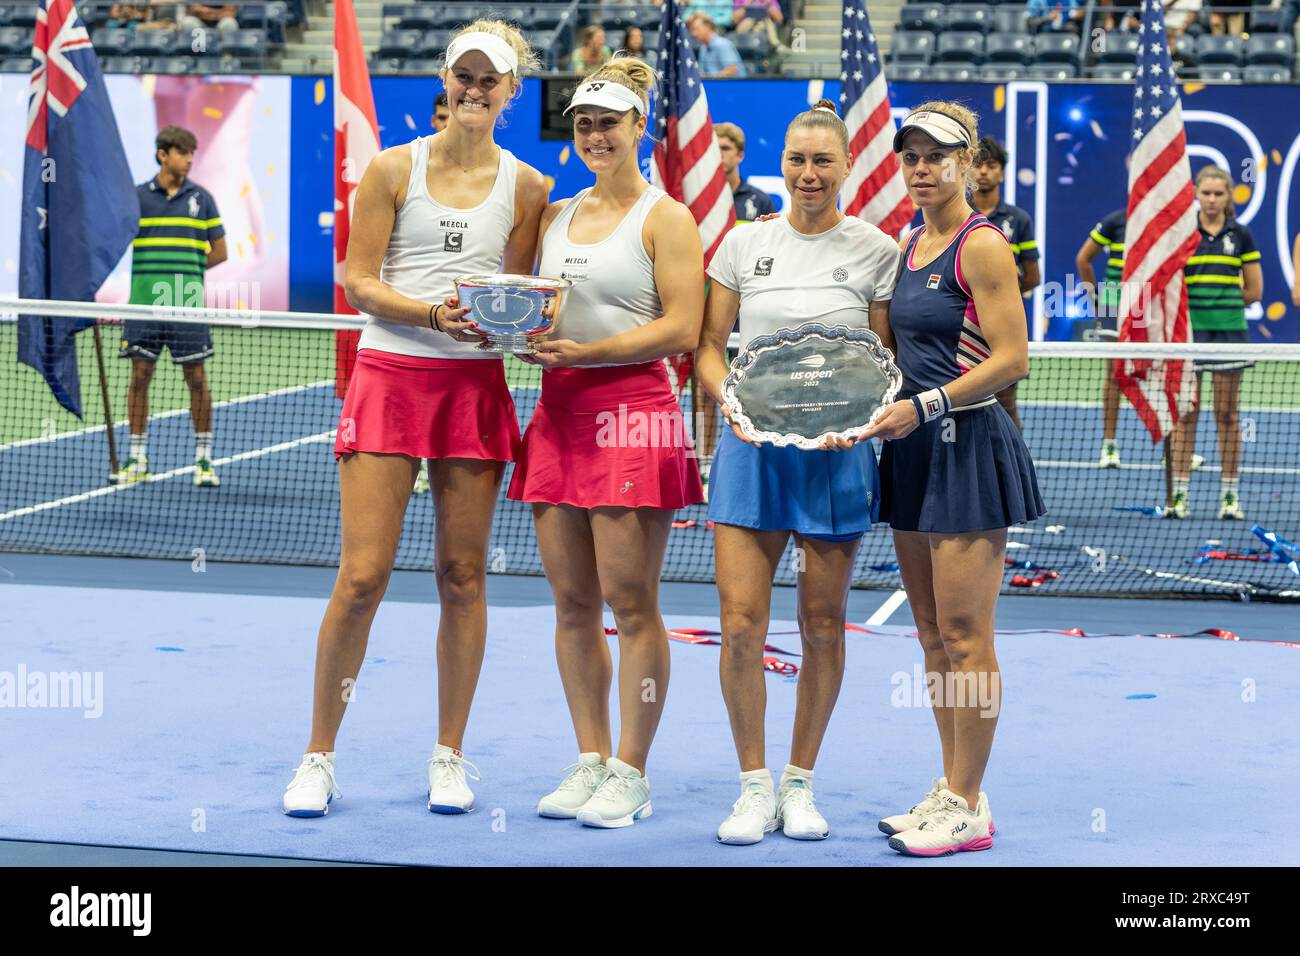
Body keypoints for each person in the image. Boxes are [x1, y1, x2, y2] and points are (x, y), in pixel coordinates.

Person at [281, 20, 549, 818]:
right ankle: (318, 756)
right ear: (445, 79)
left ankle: (449, 756)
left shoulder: (529, 188)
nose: (473, 89)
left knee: (463, 578)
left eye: (488, 79)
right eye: (462, 75)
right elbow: (357, 279)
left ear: (510, 92)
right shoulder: (392, 169)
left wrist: (524, 333)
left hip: (473, 391)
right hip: (390, 378)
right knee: (362, 577)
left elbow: (516, 293)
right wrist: (435, 316)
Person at [696, 101, 899, 846]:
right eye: (796, 159)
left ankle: (800, 783)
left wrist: (854, 419)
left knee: (821, 624)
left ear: (846, 166)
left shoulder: (877, 250)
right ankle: (753, 786)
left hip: (838, 461)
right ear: (780, 164)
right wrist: (734, 405)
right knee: (741, 624)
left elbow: (886, 364)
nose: (808, 173)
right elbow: (710, 347)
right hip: (751, 455)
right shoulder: (743, 245)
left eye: (823, 161)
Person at [513, 56, 705, 829]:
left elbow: (683, 328)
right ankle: (590, 757)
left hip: (635, 413)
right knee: (571, 604)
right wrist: (516, 330)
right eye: (584, 123)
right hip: (557, 413)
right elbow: (526, 305)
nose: (595, 134)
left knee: (632, 604)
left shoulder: (668, 218)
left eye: (609, 123)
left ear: (639, 130)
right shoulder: (554, 217)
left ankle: (632, 767)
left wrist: (585, 354)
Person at [865, 102, 1044, 857]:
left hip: (967, 445)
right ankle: (952, 786)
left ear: (969, 164)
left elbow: (1011, 359)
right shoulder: (908, 245)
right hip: (912, 451)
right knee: (933, 634)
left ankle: (969, 803)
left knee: (968, 637)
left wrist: (927, 404)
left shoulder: (983, 246)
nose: (923, 168)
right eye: (911, 156)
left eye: (939, 156)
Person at [112, 126, 227, 488]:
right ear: (163, 154)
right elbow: (113, 242)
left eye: (192, 153)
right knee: (140, 378)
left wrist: (186, 273)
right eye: (183, 152)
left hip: (187, 306)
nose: (190, 159)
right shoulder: (135, 199)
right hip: (144, 307)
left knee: (196, 379)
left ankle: (204, 460)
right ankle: (137, 457)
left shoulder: (203, 199)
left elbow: (220, 252)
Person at [1166, 165, 1263, 521]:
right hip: (1187, 338)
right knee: (1186, 416)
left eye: (1218, 194)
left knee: (1226, 415)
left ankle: (1229, 497)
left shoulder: (1241, 235)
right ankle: (1179, 495)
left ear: (1229, 196)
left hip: (1228, 336)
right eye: (1205, 193)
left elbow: (1254, 291)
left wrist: (1221, 298)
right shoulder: (1182, 233)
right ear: (1195, 193)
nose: (1211, 200)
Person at [972, 136, 1039, 432]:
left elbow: (1033, 277)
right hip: (960, 325)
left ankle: (1014, 469)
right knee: (962, 400)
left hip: (1002, 327)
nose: (984, 172)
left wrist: (997, 296)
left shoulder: (1018, 219)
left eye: (992, 166)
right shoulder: (952, 213)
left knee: (1006, 402)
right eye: (978, 165)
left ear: (1001, 173)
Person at [1075, 206, 1127, 468]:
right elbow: (1083, 259)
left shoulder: (1164, 220)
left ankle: (1170, 449)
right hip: (1113, 304)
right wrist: (1096, 300)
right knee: (1114, 375)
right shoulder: (1115, 220)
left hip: (1152, 305)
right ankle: (1109, 445)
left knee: (1160, 377)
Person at [688, 13, 747, 78]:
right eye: (692, 30)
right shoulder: (703, 48)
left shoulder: (722, 44)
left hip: (727, 86)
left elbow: (732, 69)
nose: (694, 34)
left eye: (696, 29)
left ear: (708, 26)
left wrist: (713, 78)